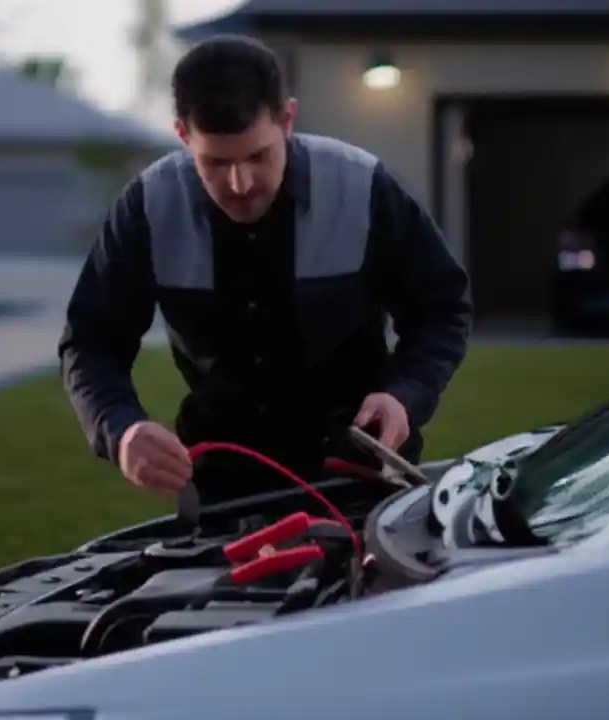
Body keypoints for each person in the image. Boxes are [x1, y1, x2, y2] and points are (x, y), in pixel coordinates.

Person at [58, 34, 473, 508]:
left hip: (360, 475)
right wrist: (121, 427)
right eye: (215, 162)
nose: (240, 184)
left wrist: (404, 395)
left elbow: (442, 309)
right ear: (181, 135)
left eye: (257, 156)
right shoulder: (147, 208)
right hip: (221, 484)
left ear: (287, 119)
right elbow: (90, 340)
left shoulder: (364, 187)